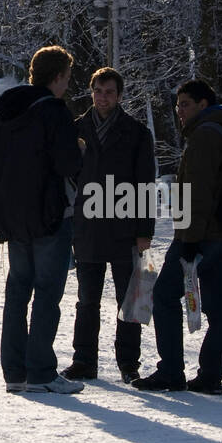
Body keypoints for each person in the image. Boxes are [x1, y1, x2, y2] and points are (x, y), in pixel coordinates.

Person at [0, 45, 84, 394]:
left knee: (17, 293)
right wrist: (80, 150)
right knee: (46, 294)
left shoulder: (3, 116)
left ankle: (14, 372)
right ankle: (42, 370)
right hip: (49, 216)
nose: (67, 85)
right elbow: (67, 164)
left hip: (13, 218)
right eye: (67, 78)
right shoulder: (54, 112)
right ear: (57, 77)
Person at [134, 81, 222, 395]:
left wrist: (189, 242)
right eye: (178, 104)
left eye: (186, 104)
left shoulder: (205, 136)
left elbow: (197, 195)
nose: (179, 111)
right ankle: (210, 376)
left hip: (199, 236)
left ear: (203, 104)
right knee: (218, 307)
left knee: (164, 296)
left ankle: (170, 372)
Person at [63, 68, 156, 384]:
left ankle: (129, 363)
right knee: (87, 299)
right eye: (99, 91)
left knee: (128, 299)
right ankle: (84, 360)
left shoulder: (137, 133)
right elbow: (69, 177)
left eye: (110, 92)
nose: (103, 97)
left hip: (124, 228)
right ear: (91, 92)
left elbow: (146, 184)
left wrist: (145, 232)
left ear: (119, 96)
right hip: (88, 227)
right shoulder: (75, 130)